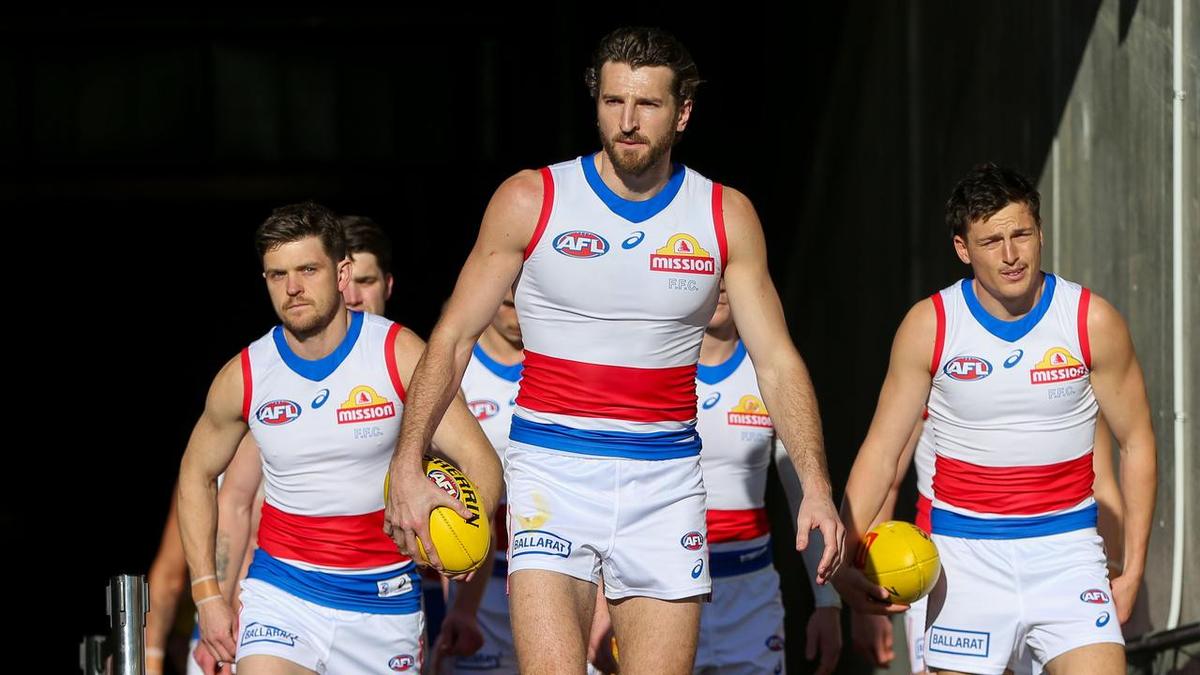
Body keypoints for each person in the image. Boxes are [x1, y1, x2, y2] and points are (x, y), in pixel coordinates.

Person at [384, 26, 844, 675]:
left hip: (668, 483)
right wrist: (407, 458)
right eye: (612, 101)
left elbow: (775, 360)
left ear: (683, 113)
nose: (627, 122)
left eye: (648, 104)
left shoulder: (722, 214)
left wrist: (818, 485)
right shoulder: (531, 199)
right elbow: (453, 335)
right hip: (551, 475)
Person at [834, 163, 1156, 675]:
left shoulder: (1091, 319)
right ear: (963, 249)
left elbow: (1137, 442)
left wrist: (1133, 569)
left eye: (1021, 235)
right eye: (991, 242)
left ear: (1040, 233)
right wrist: (844, 558)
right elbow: (882, 450)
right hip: (964, 559)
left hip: (1068, 553)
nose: (1010, 256)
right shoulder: (930, 325)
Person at [177, 202, 501, 674]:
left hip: (383, 601)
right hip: (282, 593)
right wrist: (207, 594)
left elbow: (481, 460)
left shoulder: (398, 352)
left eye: (308, 269)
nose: (293, 288)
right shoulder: (246, 374)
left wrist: (468, 528)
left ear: (342, 272)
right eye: (277, 274)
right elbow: (196, 474)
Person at [850, 414, 1125, 674]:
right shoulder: (939, 369)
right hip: (945, 572)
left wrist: (1112, 573)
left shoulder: (1071, 375)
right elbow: (886, 473)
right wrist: (869, 595)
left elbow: (1103, 486)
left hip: (1052, 568)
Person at [690, 284, 843, 674]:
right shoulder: (656, 361)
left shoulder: (771, 372)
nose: (723, 283)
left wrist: (827, 603)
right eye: (713, 268)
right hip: (665, 590)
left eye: (731, 271)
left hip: (750, 594)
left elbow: (801, 497)